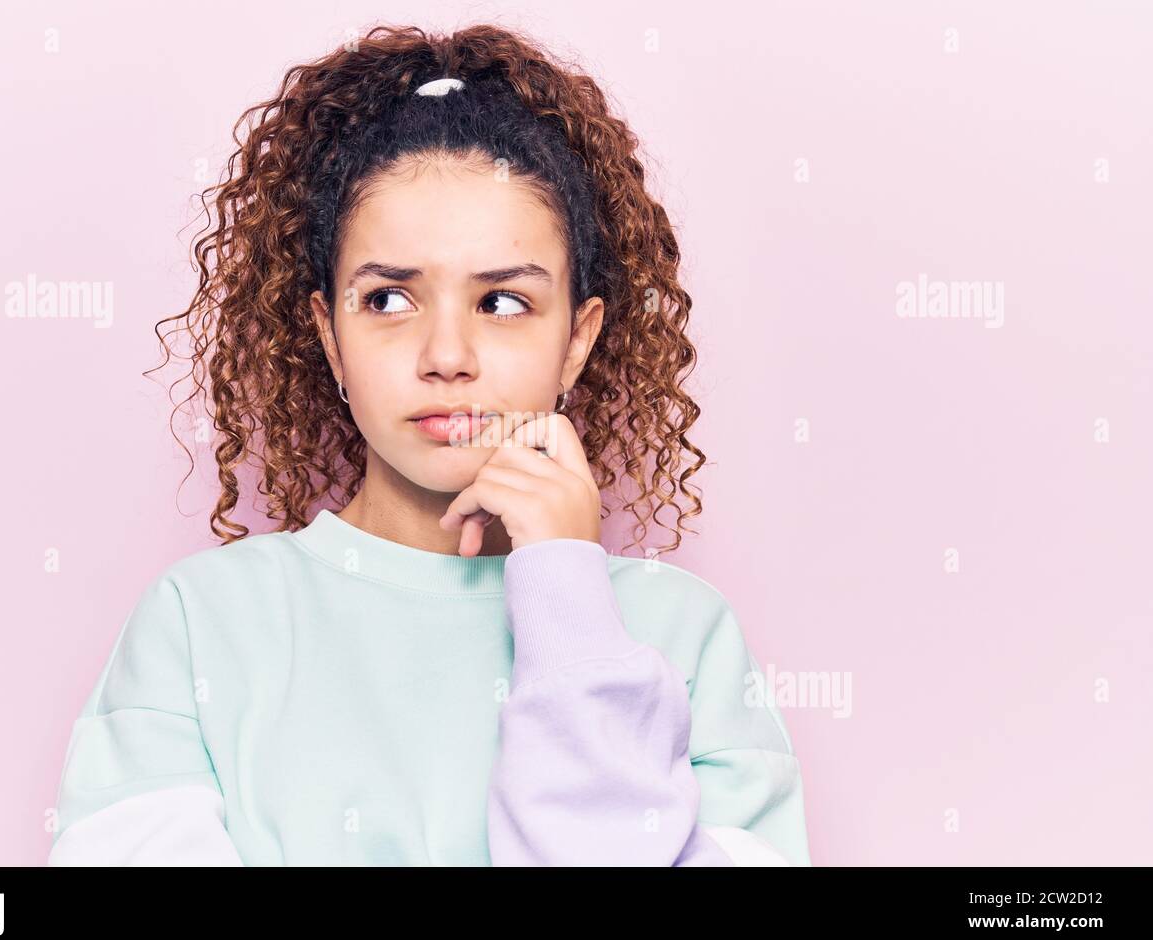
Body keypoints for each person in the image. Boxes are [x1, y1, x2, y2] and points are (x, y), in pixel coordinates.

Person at [47, 23, 811, 867]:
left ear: (579, 340)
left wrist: (568, 602)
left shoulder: (682, 634)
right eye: (387, 301)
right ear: (329, 336)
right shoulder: (199, 626)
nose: (447, 357)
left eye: (504, 303)